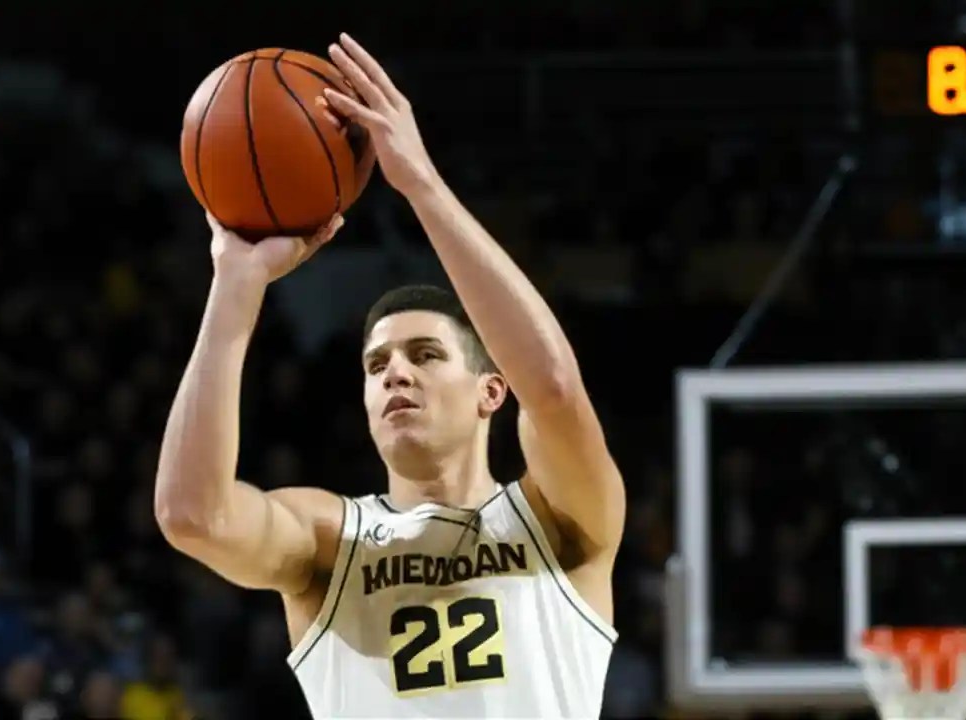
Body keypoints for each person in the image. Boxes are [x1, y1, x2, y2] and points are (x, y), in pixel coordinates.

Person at [154, 33, 625, 719]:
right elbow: (191, 514)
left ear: (492, 390)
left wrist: (422, 186)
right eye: (377, 365)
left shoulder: (558, 520)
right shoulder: (329, 540)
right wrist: (235, 282)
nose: (395, 374)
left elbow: (551, 386)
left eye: (426, 355)